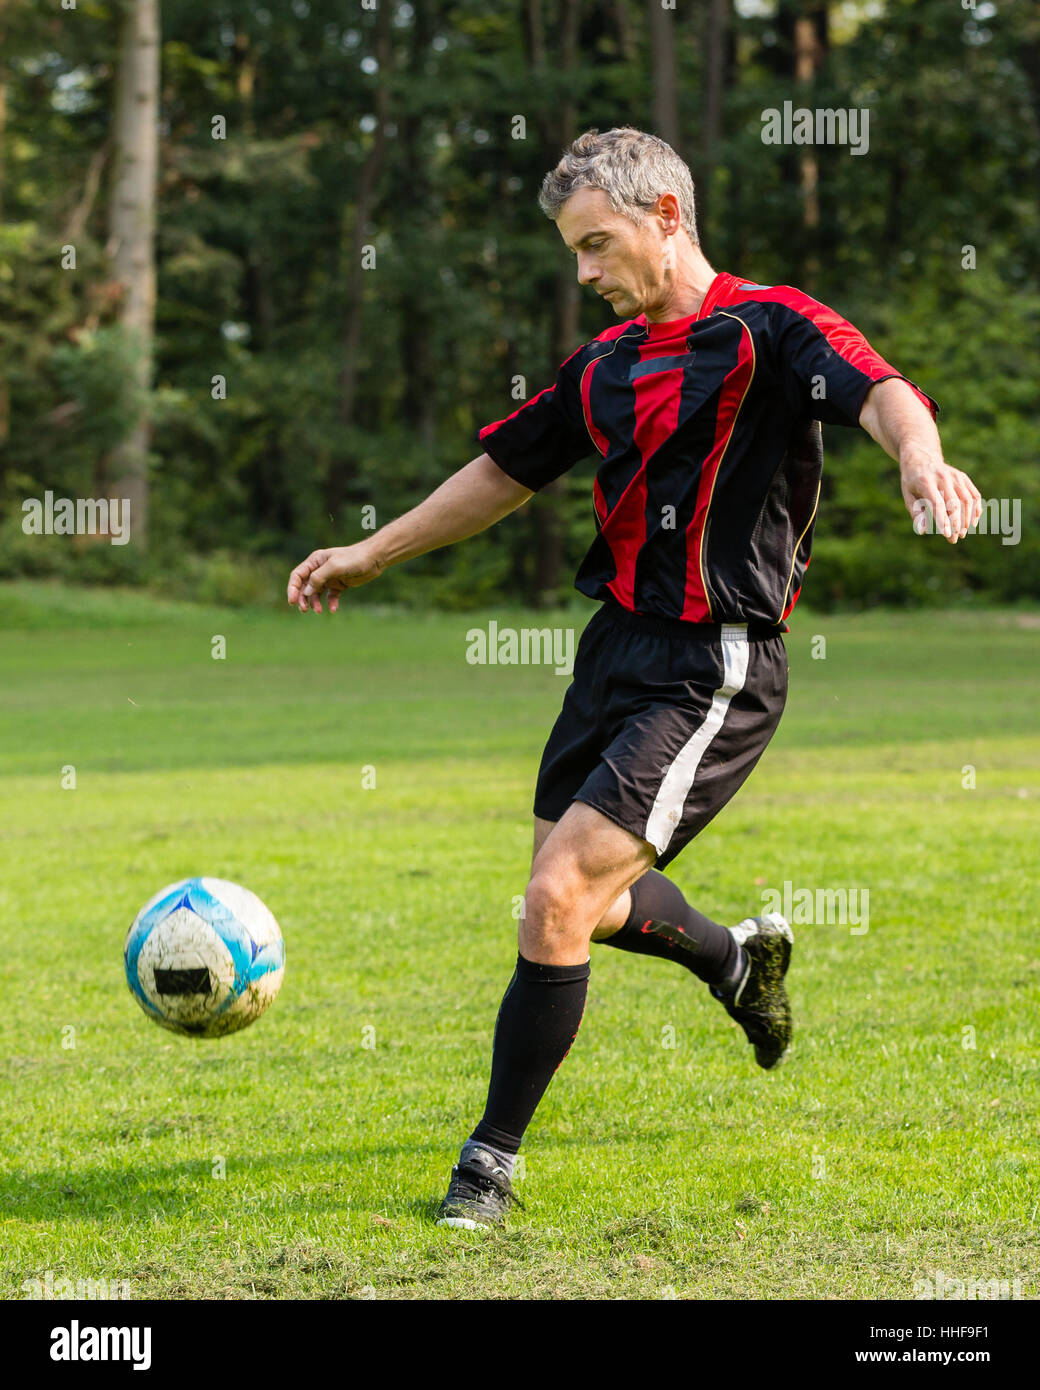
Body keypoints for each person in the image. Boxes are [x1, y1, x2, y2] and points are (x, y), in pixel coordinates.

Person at [286, 127, 982, 1230]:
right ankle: (733, 957)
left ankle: (488, 1162)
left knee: (556, 896)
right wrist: (374, 551)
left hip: (715, 662)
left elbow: (879, 390)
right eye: (572, 252)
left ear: (666, 216)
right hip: (613, 648)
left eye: (596, 245)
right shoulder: (604, 365)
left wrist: (917, 455)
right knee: (573, 906)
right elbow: (502, 471)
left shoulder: (769, 328)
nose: (583, 273)